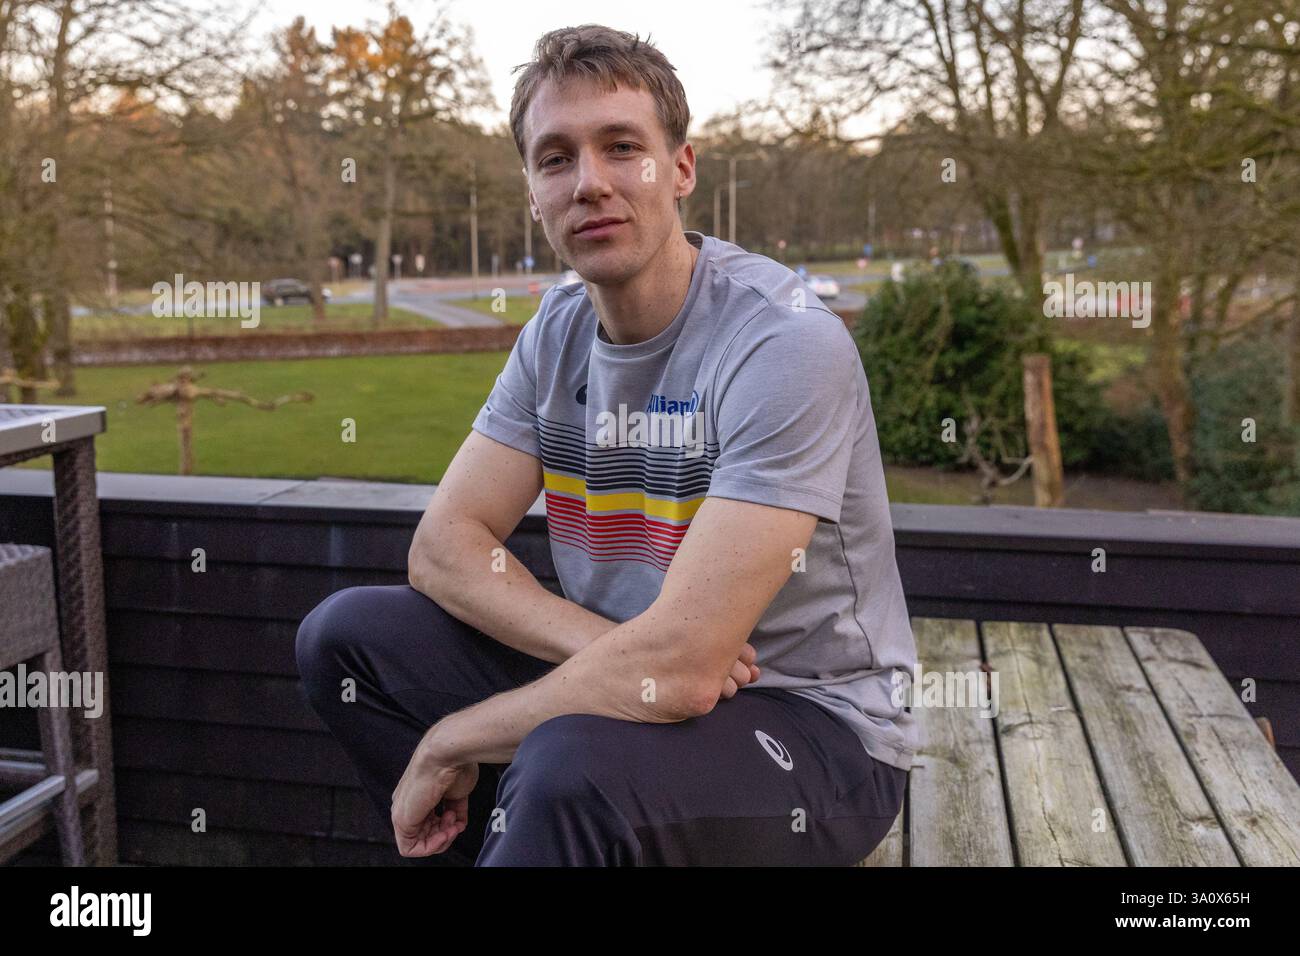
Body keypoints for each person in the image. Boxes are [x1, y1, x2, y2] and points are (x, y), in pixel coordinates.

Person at [296, 23, 920, 867]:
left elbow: (692, 669)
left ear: (683, 168)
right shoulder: (556, 331)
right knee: (346, 638)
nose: (590, 183)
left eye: (622, 147)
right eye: (556, 158)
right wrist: (611, 652)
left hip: (814, 730)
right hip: (626, 683)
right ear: (532, 191)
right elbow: (443, 549)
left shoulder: (783, 341)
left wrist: (454, 738)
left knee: (568, 769)